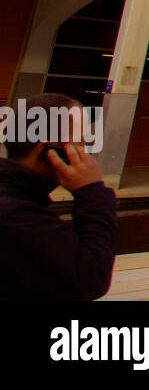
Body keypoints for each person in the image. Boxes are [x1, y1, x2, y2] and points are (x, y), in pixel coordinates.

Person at [0, 93, 117, 300]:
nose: (84, 153)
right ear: (48, 150)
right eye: (79, 144)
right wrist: (92, 192)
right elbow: (91, 277)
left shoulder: (16, 195)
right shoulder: (17, 215)